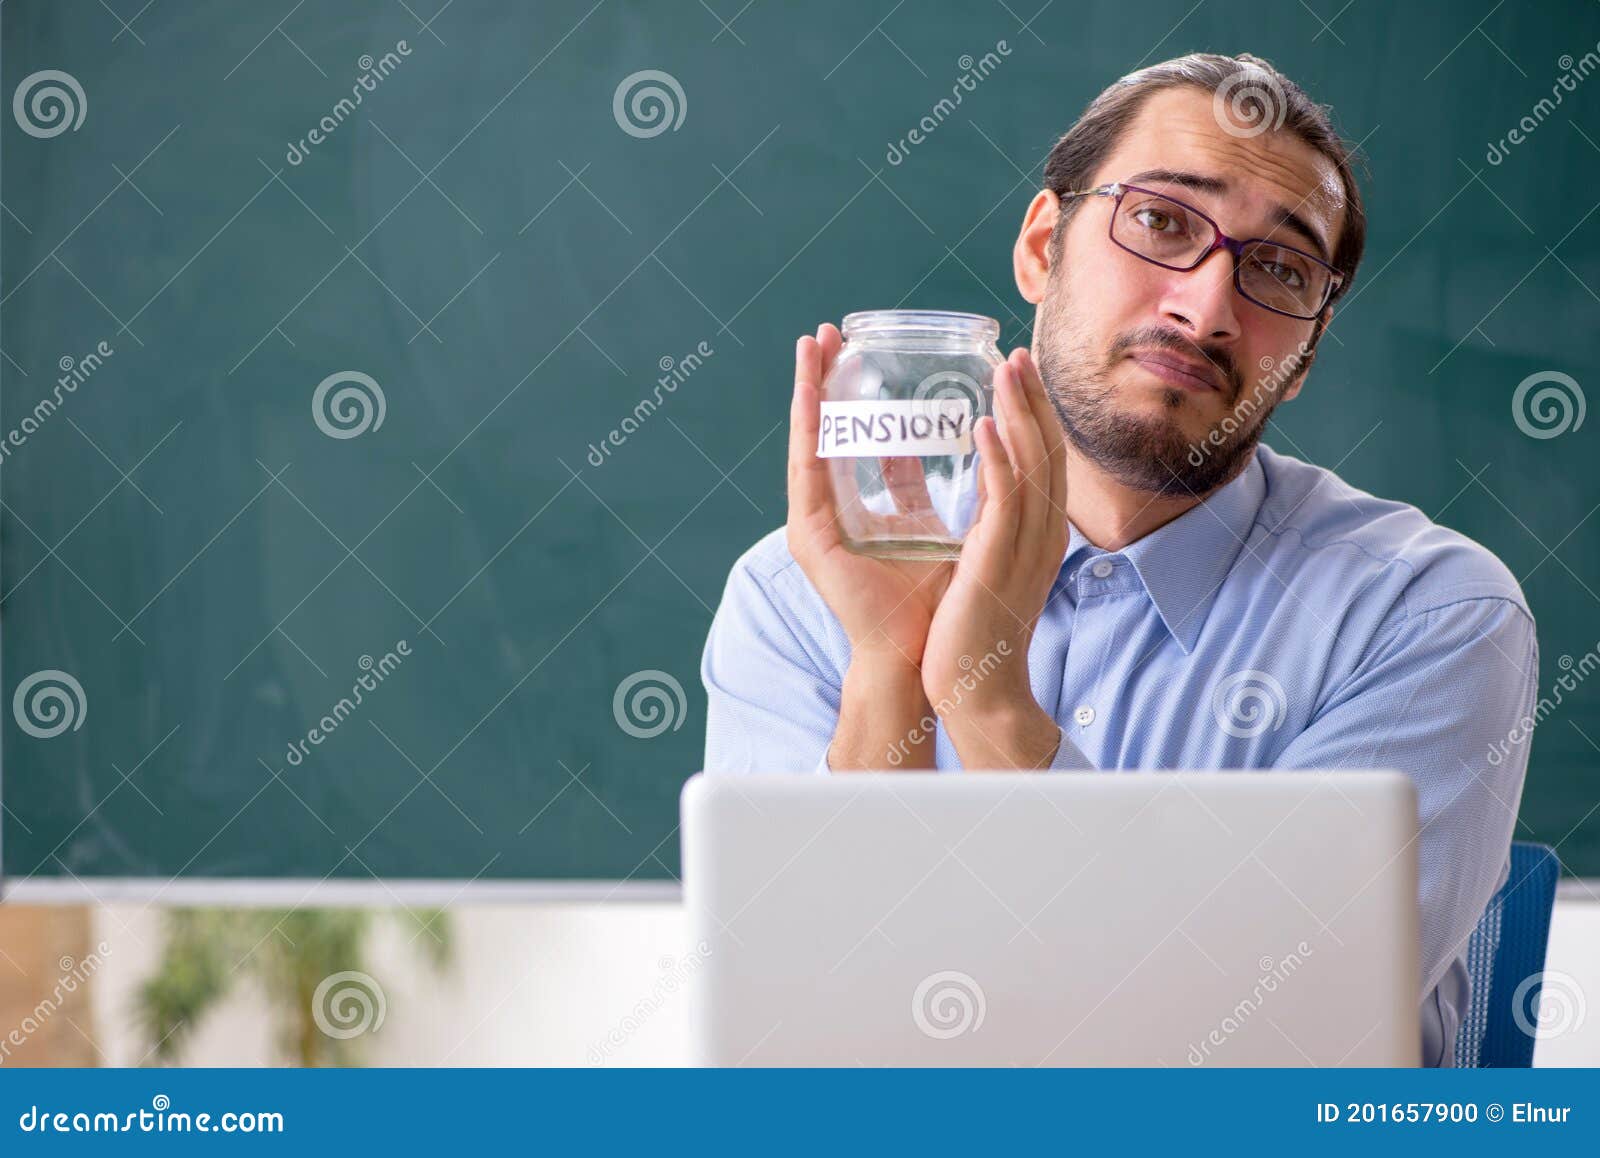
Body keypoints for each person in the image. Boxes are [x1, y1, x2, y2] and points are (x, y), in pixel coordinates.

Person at [700, 52, 1538, 1068]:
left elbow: (1268, 1050)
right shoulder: (799, 595)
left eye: (1278, 269)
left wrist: (989, 707)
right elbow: (804, 1048)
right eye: (1162, 221)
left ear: (1305, 356)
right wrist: (887, 664)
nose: (1205, 307)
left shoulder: (1425, 612)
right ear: (1043, 245)